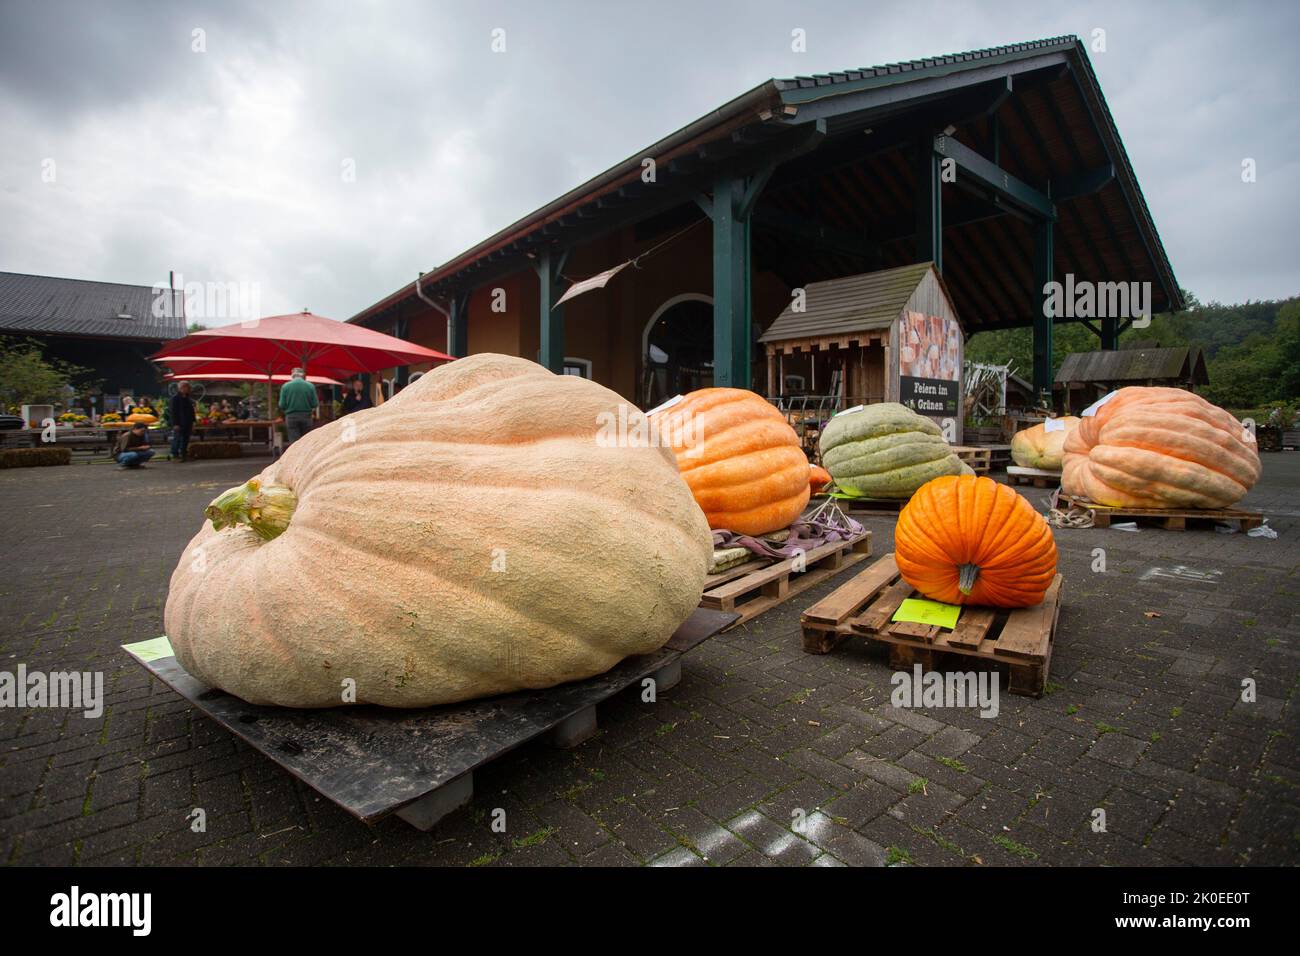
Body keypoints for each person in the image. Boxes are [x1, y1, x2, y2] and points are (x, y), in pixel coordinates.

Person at [279, 367, 318, 445]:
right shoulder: (310, 386)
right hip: (306, 416)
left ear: (292, 375)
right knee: (306, 441)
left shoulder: (285, 386)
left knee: (294, 442)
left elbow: (282, 405)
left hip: (291, 416)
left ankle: (295, 456)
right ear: (303, 375)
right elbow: (315, 404)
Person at [169, 381, 196, 461]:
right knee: (177, 438)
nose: (189, 389)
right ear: (182, 388)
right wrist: (175, 424)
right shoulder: (175, 398)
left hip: (188, 422)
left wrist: (193, 421)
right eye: (188, 387)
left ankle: (183, 454)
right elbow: (173, 412)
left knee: (185, 439)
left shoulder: (187, 398)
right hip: (179, 422)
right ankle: (175, 455)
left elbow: (191, 411)